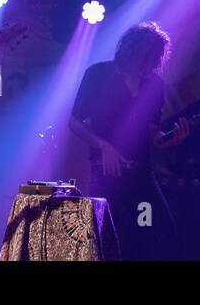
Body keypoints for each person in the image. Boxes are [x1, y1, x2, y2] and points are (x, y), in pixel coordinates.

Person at [70, 20, 189, 260]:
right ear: (131, 52)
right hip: (107, 173)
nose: (150, 67)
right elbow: (74, 122)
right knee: (108, 241)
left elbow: (152, 136)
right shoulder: (98, 74)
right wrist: (104, 146)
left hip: (142, 175)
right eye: (146, 59)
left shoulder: (155, 84)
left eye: (155, 60)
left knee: (159, 237)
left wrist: (170, 139)